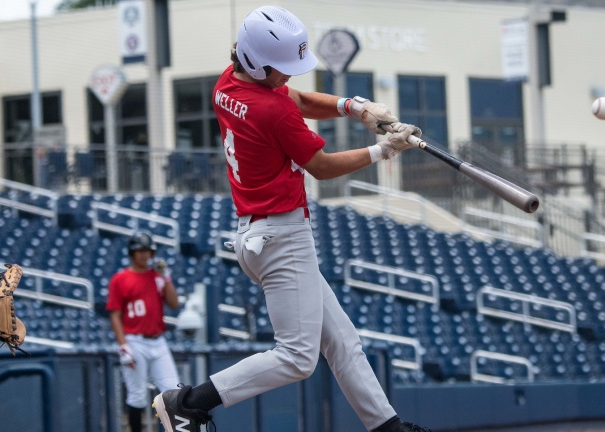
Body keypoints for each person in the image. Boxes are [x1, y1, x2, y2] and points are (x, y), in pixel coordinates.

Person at [152, 5, 429, 432]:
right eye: (280, 67)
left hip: (261, 233)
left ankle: (388, 428)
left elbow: (295, 97)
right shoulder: (270, 110)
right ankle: (186, 403)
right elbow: (321, 166)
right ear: (254, 61)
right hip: (282, 237)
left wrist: (354, 107)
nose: (287, 76)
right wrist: (384, 150)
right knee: (298, 357)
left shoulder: (229, 82)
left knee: (342, 341)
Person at [107, 231, 182, 432]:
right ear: (131, 253)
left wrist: (167, 277)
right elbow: (115, 315)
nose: (143, 254)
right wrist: (123, 345)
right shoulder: (120, 279)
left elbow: (174, 303)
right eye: (139, 250)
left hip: (158, 340)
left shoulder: (157, 277)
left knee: (173, 392)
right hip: (134, 340)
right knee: (137, 395)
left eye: (147, 250)